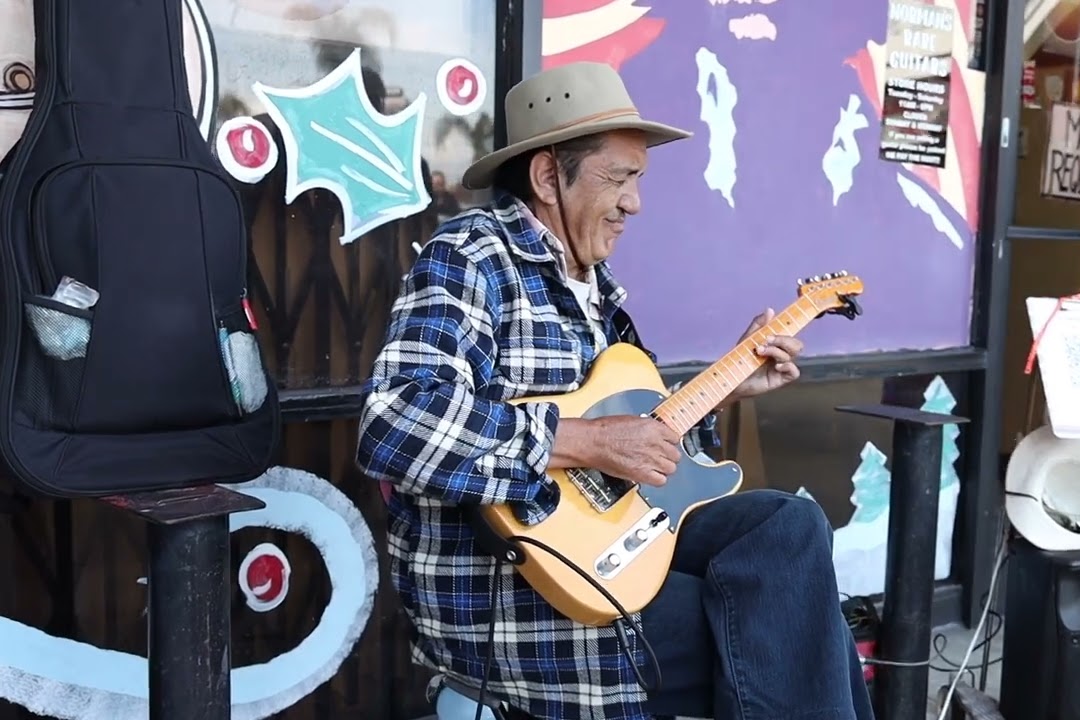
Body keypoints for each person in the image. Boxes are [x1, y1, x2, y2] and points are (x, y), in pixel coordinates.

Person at [356, 62, 875, 720]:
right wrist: (587, 442)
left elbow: (639, 452)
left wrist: (727, 391)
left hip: (611, 551)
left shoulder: (598, 294)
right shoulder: (471, 256)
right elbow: (394, 422)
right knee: (796, 637)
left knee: (789, 528)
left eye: (638, 180)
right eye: (619, 178)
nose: (636, 203)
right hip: (512, 595)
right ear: (548, 177)